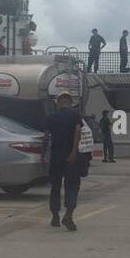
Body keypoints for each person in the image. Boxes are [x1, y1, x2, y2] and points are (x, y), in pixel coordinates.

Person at [44, 91, 82, 231]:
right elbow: (78, 132)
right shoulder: (75, 115)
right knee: (72, 186)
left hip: (55, 156)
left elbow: (46, 137)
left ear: (58, 102)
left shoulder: (51, 117)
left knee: (55, 187)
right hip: (70, 157)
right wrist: (73, 151)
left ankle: (55, 216)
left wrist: (44, 155)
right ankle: (69, 214)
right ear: (70, 102)